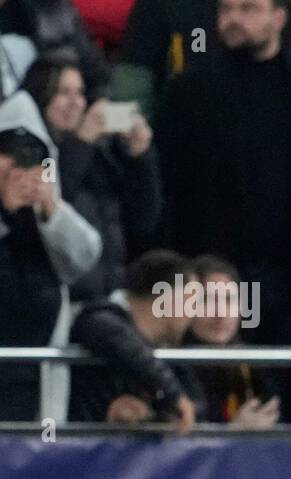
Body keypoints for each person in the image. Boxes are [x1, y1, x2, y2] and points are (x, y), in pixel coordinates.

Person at [156, 0, 291, 343]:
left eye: (248, 9)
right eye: (225, 10)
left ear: (279, 18)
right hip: (215, 277)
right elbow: (167, 186)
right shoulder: (189, 92)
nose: (233, 20)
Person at [22, 59, 162, 302]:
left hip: (110, 294)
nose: (76, 102)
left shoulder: (99, 156)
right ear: (41, 97)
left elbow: (143, 220)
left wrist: (140, 158)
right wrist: (83, 141)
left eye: (80, 93)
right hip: (61, 297)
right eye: (63, 93)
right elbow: (52, 199)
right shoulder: (27, 151)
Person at [0, 92, 102, 423]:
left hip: (35, 383)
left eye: (31, 158)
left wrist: (51, 209)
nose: (21, 168)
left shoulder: (47, 218)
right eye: (10, 156)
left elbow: (86, 256)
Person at [67, 248, 198, 429]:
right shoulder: (100, 320)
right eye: (191, 301)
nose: (194, 313)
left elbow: (193, 407)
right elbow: (112, 336)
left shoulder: (167, 349)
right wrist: (173, 395)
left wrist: (154, 415)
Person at [182, 254, 281, 427]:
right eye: (206, 300)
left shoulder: (256, 367)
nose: (220, 313)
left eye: (229, 300)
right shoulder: (171, 368)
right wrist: (234, 432)